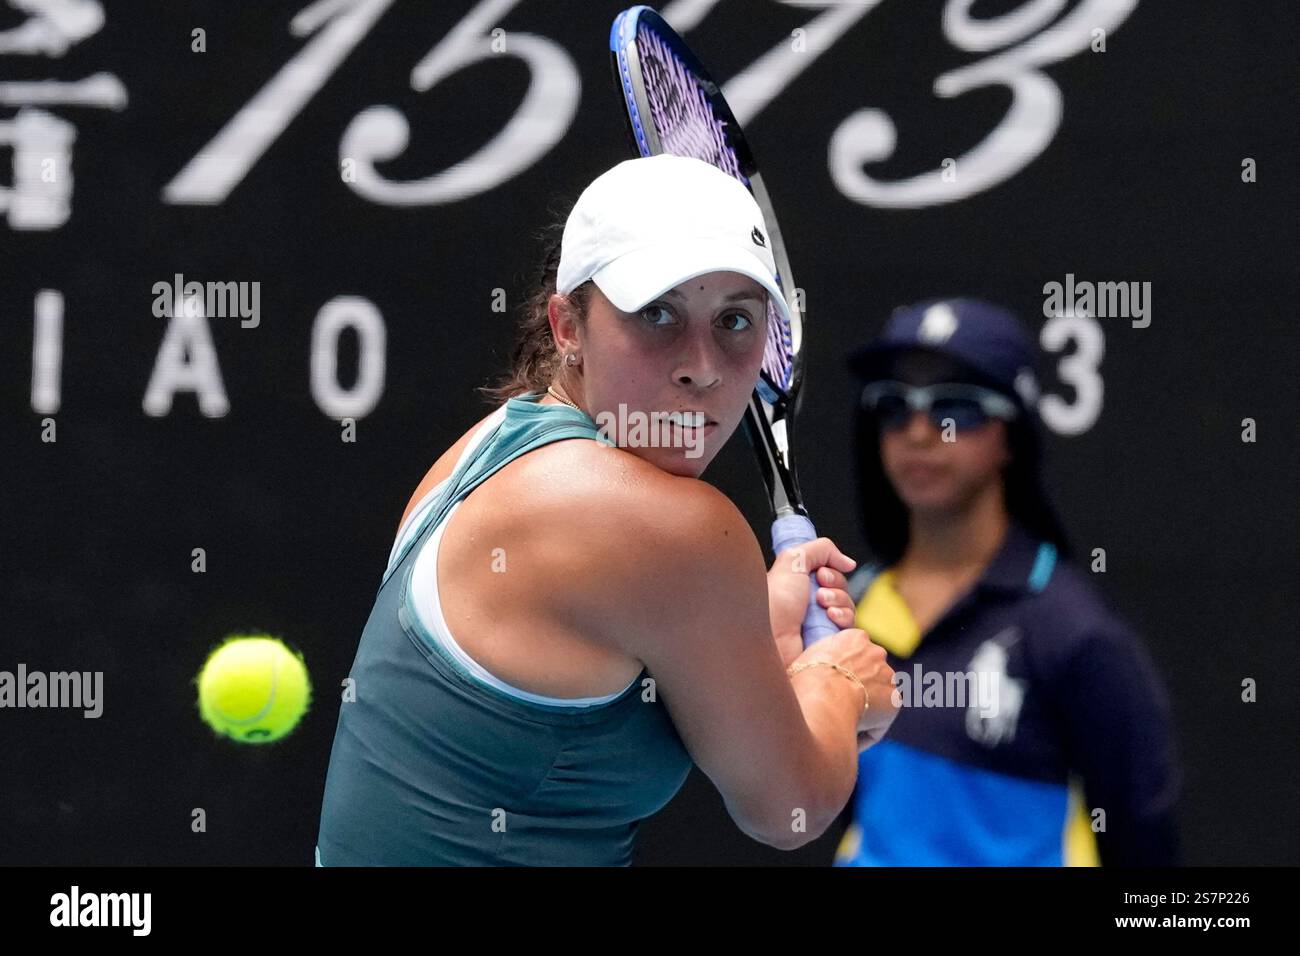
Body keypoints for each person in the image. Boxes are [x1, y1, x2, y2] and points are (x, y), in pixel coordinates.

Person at [315, 154, 898, 866]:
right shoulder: (671, 531)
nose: (704, 366)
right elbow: (790, 807)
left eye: (736, 320)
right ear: (566, 325)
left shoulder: (489, 445)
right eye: (657, 314)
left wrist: (752, 626)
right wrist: (841, 684)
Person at [834, 298, 1182, 866]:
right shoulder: (849, 608)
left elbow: (1146, 852)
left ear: (1011, 435)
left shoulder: (1075, 633)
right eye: (894, 407)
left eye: (956, 409)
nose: (920, 432)